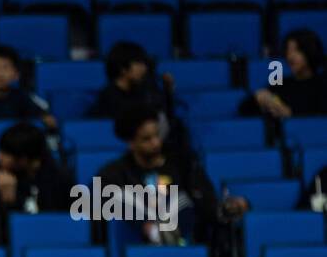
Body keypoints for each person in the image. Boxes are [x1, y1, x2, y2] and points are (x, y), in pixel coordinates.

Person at [95, 104, 244, 247]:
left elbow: (204, 199)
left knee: (184, 200)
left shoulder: (183, 165)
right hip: (139, 247)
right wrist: (146, 225)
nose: (156, 143)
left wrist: (225, 208)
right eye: (147, 139)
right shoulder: (115, 173)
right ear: (131, 143)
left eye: (157, 135)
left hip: (185, 239)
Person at [0, 122, 75, 216]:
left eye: (5, 153)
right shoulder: (0, 174)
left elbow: (61, 219)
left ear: (23, 159)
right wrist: (9, 203)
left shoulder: (60, 178)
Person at [248, 28, 327, 120]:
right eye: (288, 51)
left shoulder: (323, 84)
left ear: (310, 51)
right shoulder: (281, 84)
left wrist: (290, 113)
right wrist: (258, 98)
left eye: (296, 51)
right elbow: (244, 109)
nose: (290, 57)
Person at [87, 40, 171, 123]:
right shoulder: (109, 98)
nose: (144, 69)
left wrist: (167, 91)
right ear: (123, 68)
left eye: (144, 64)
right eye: (139, 63)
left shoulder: (142, 91)